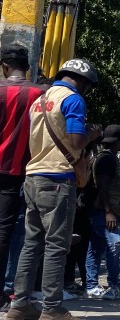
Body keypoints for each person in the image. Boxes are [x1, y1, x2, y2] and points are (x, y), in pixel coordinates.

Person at [6, 58, 102, 320]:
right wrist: (91, 135)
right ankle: (52, 308)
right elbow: (75, 140)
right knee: (57, 246)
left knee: (31, 244)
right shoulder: (73, 100)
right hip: (58, 179)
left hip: (33, 177)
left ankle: (20, 305)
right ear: (82, 81)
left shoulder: (40, 100)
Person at [0, 44, 46, 311]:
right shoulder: (41, 94)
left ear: (5, 66)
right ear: (27, 68)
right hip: (31, 173)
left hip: (4, 172)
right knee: (25, 234)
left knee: (4, 232)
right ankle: (15, 292)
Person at [85, 125, 120, 300]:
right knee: (113, 247)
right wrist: (108, 212)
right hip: (104, 212)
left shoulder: (106, 158)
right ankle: (112, 285)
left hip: (101, 211)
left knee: (96, 248)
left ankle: (92, 286)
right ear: (118, 140)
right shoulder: (106, 160)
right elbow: (102, 186)